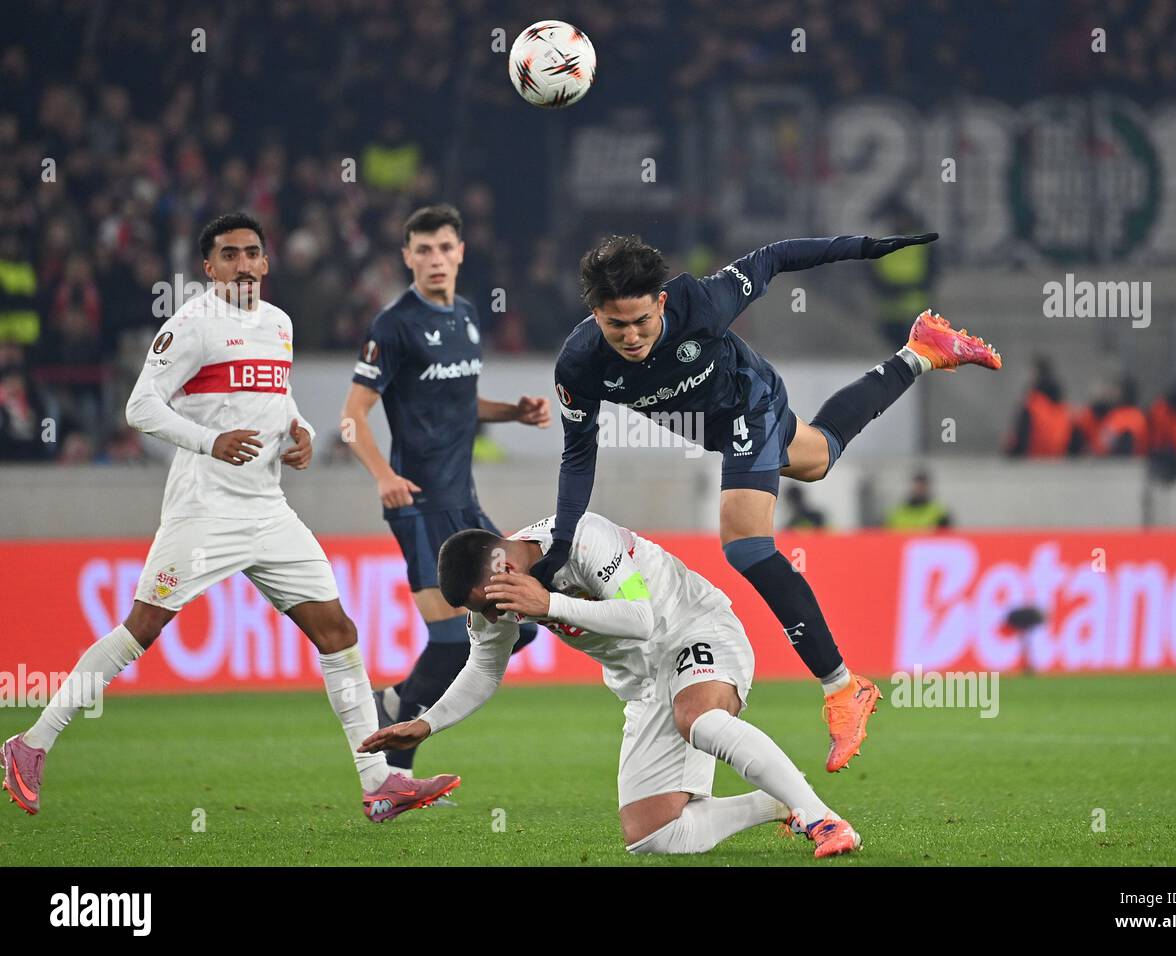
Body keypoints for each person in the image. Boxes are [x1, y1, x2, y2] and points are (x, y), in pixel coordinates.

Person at [2, 213, 458, 822]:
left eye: (252, 253)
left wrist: (298, 431)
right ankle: (29, 744)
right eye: (229, 255)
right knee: (140, 630)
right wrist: (207, 441)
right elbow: (140, 407)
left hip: (268, 510)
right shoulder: (191, 326)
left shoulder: (278, 324)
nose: (243, 264)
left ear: (267, 263)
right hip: (204, 510)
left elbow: (276, 397)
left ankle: (378, 782)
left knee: (339, 633)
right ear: (209, 268)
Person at [532, 232, 1001, 773]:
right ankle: (921, 352)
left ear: (662, 301)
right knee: (820, 454)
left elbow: (774, 258)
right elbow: (578, 454)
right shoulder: (579, 366)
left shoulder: (700, 303)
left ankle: (842, 688)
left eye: (642, 320)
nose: (633, 337)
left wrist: (865, 248)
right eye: (617, 325)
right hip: (718, 429)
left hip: (750, 403)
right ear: (595, 314)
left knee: (747, 545)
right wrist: (564, 539)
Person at [360, 512, 864, 858]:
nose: (494, 616)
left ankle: (822, 818)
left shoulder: (581, 536)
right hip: (644, 683)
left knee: (701, 721)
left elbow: (642, 619)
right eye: (484, 612)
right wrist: (428, 724)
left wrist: (549, 604)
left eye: (490, 605)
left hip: (694, 630)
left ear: (506, 567)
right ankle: (778, 800)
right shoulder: (496, 589)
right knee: (654, 836)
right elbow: (486, 668)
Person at [340, 204, 551, 776]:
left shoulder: (467, 315)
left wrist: (513, 412)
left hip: (465, 502)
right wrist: (383, 476)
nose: (435, 259)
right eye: (423, 250)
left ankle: (397, 697)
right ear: (407, 257)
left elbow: (462, 401)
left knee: (520, 626)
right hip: (418, 503)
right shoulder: (394, 324)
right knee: (454, 641)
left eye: (445, 248)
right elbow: (352, 416)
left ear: (461, 252)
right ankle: (395, 778)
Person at [885, 469, 952, 530]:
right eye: (917, 485)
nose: (919, 488)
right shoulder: (896, 512)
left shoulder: (939, 513)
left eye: (922, 485)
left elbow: (945, 537)